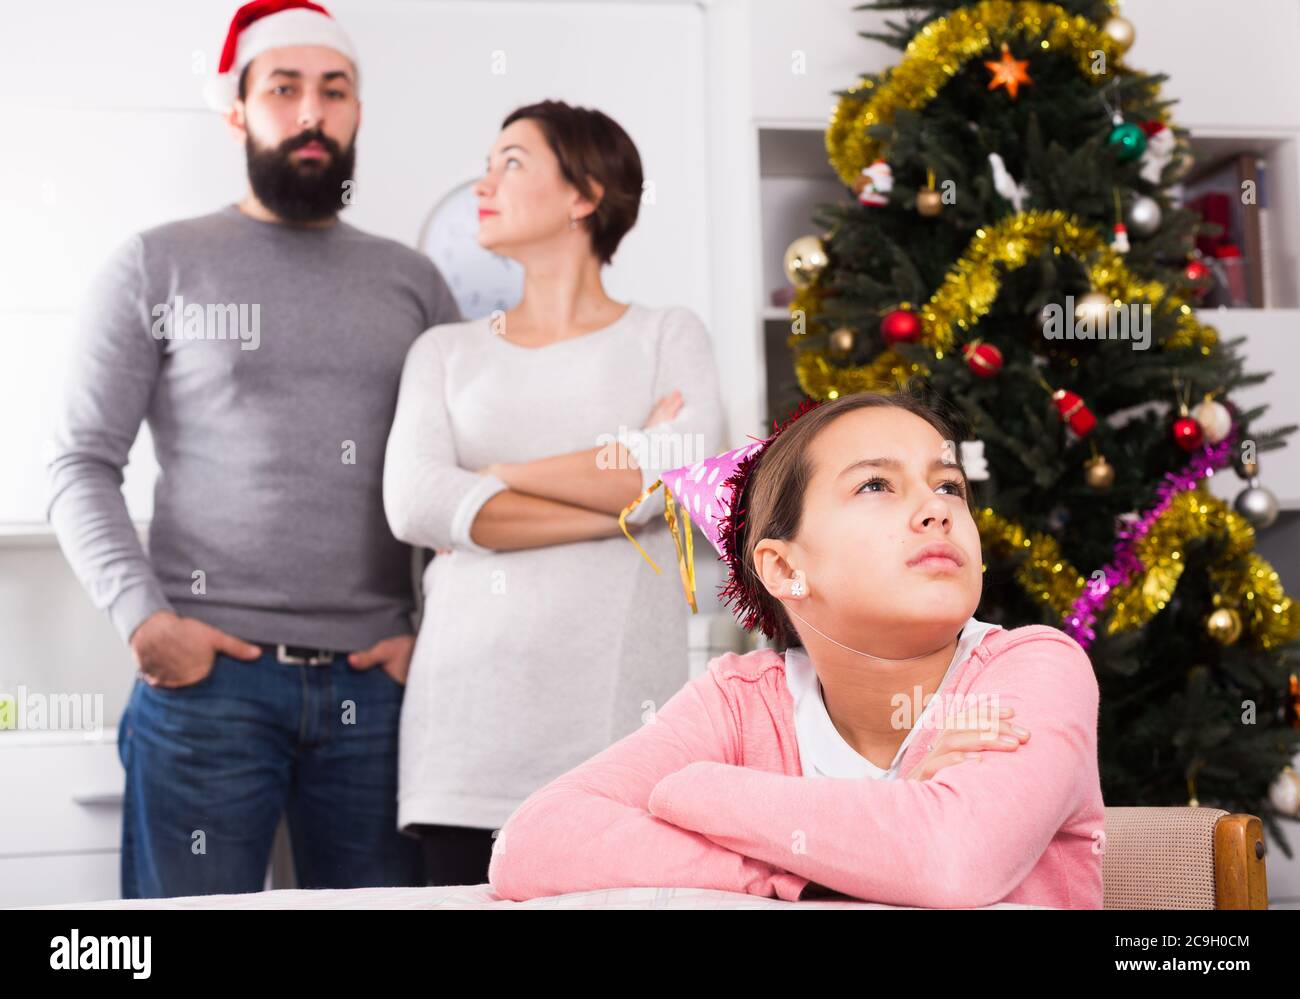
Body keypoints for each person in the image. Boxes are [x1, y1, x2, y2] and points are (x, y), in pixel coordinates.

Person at [45, 0, 457, 897]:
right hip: (207, 687)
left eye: (334, 90)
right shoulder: (158, 264)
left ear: (355, 112)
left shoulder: (414, 283)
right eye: (284, 88)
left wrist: (435, 637)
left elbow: (460, 482)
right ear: (237, 110)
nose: (311, 112)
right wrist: (147, 623)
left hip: (378, 691)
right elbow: (79, 462)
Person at [487, 391, 1106, 908]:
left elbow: (954, 858)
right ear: (783, 569)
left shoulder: (1035, 667)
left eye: (949, 486)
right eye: (874, 485)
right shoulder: (739, 701)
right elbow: (531, 845)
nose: (935, 510)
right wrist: (813, 872)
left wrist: (700, 789)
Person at [382, 99, 728, 886]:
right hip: (465, 738)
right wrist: (619, 497)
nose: (484, 181)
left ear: (585, 194)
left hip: (619, 736)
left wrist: (495, 479)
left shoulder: (668, 334)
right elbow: (414, 503)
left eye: (512, 161)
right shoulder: (445, 351)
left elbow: (667, 485)